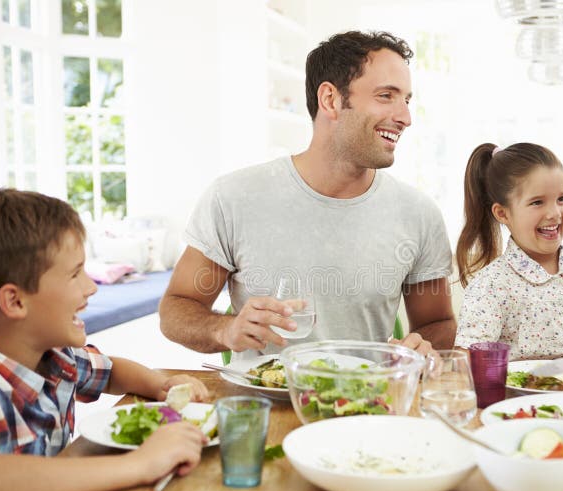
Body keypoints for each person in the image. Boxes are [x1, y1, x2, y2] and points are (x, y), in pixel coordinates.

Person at [159, 31, 455, 359]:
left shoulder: (419, 214)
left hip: (370, 405)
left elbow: (437, 322)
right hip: (264, 406)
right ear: (330, 99)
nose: (405, 117)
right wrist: (223, 329)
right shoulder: (233, 198)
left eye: (407, 100)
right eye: (386, 95)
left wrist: (422, 346)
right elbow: (176, 309)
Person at [0, 190, 211, 491]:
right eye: (75, 275)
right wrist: (140, 465)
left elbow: (113, 371)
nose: (91, 289)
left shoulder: (55, 358)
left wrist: (159, 384)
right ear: (14, 302)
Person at [454, 142, 563, 360]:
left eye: (562, 199)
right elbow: (467, 362)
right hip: (519, 395)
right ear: (502, 213)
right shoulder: (490, 287)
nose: (554, 213)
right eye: (537, 202)